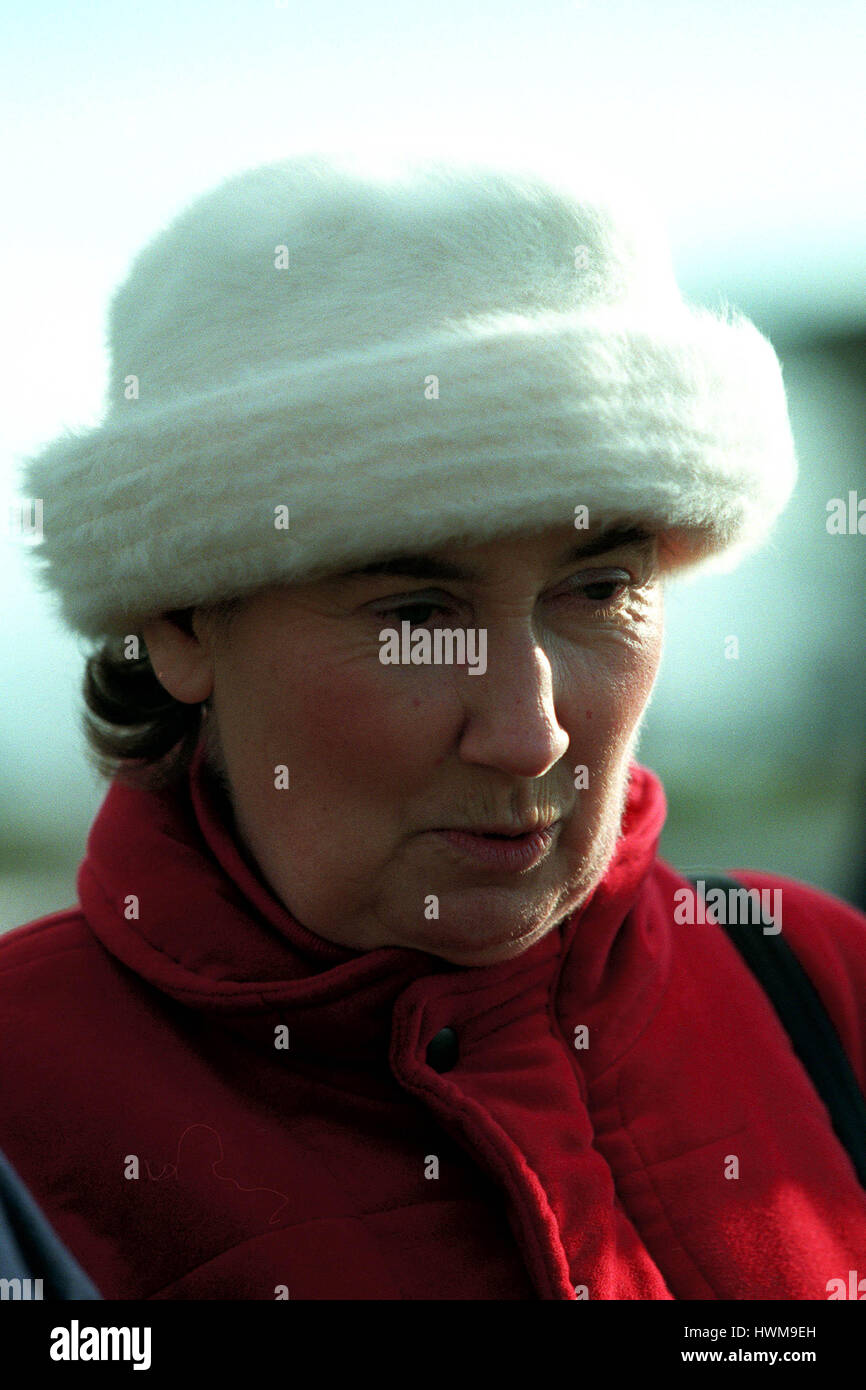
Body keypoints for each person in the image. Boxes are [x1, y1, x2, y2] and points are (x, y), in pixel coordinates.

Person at [4, 154, 866, 1301]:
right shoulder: (24, 1108)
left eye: (601, 590)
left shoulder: (819, 980)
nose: (528, 736)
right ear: (176, 622)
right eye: (414, 611)